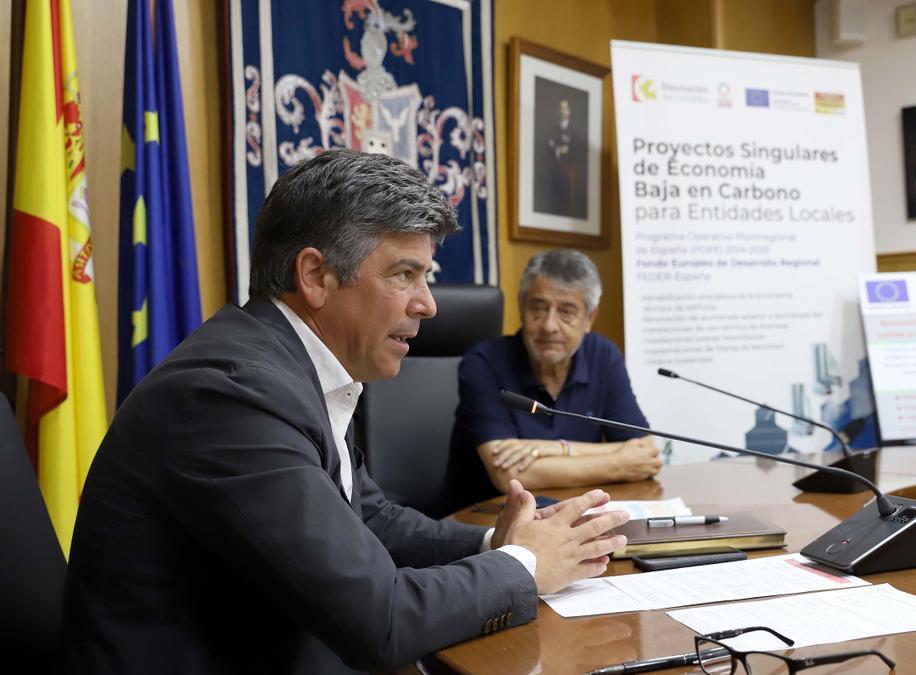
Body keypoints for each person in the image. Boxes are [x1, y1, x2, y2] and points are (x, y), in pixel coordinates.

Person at [61, 151, 631, 674]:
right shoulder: (233, 396)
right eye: (404, 274)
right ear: (315, 276)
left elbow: (367, 519)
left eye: (425, 278)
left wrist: (497, 544)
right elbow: (381, 621)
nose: (427, 304)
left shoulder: (293, 366)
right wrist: (524, 566)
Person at [451, 249, 661, 499]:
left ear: (589, 319)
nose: (549, 326)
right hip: (487, 522)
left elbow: (646, 451)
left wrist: (553, 449)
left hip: (577, 513)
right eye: (538, 308)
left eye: (566, 312)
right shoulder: (483, 363)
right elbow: (509, 477)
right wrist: (618, 463)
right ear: (521, 308)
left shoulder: (603, 355)